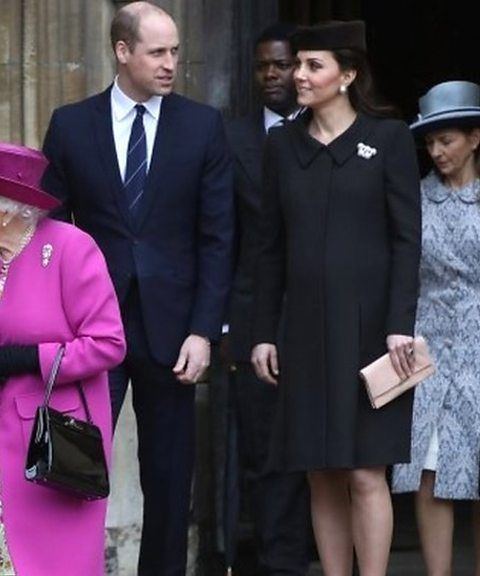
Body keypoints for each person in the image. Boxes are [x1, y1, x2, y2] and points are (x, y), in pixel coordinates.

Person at [41, 2, 233, 573]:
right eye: (157, 52)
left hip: (174, 334)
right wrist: (57, 320)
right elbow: (49, 231)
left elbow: (218, 238)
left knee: (170, 482)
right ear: (122, 52)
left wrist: (204, 331)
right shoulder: (71, 125)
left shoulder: (202, 126)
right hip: (91, 331)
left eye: (175, 51)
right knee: (72, 469)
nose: (171, 63)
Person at [250, 21, 421, 576]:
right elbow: (269, 248)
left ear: (347, 75)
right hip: (302, 332)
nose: (297, 75)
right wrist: (263, 333)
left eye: (312, 65)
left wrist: (399, 323)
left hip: (373, 332)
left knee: (367, 471)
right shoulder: (281, 146)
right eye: (297, 64)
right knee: (318, 470)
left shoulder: (389, 139)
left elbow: (407, 240)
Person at [0, 138, 125, 575]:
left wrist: (30, 359)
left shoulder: (70, 248)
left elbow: (108, 343)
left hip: (53, 444)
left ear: (6, 207)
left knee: (49, 562)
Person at [223, 23, 311, 575]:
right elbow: (221, 234)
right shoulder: (231, 137)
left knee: (325, 450)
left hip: (321, 314)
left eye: (282, 64)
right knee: (262, 452)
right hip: (254, 314)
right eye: (263, 66)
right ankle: (279, 563)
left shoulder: (329, 131)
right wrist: (224, 323)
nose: (272, 74)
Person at [390, 80, 480, 576]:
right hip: (428, 348)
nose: (437, 151)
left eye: (446, 140)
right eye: (430, 142)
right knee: (429, 467)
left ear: (475, 138)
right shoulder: (415, 198)